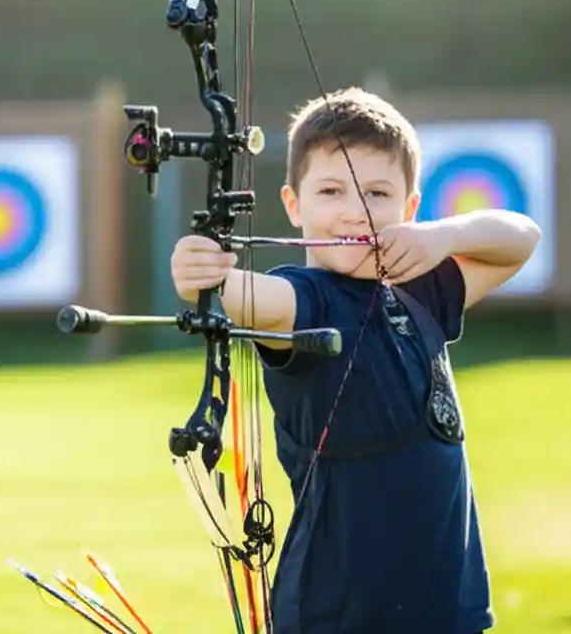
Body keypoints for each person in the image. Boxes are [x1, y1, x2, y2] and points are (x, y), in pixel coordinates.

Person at [170, 87, 541, 634]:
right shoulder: (304, 298)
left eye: (377, 191)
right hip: (338, 615)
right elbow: (252, 300)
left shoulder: (422, 287)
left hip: (444, 606)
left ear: (409, 207)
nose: (354, 209)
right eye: (330, 190)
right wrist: (209, 275)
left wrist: (445, 236)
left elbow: (522, 238)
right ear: (293, 205)